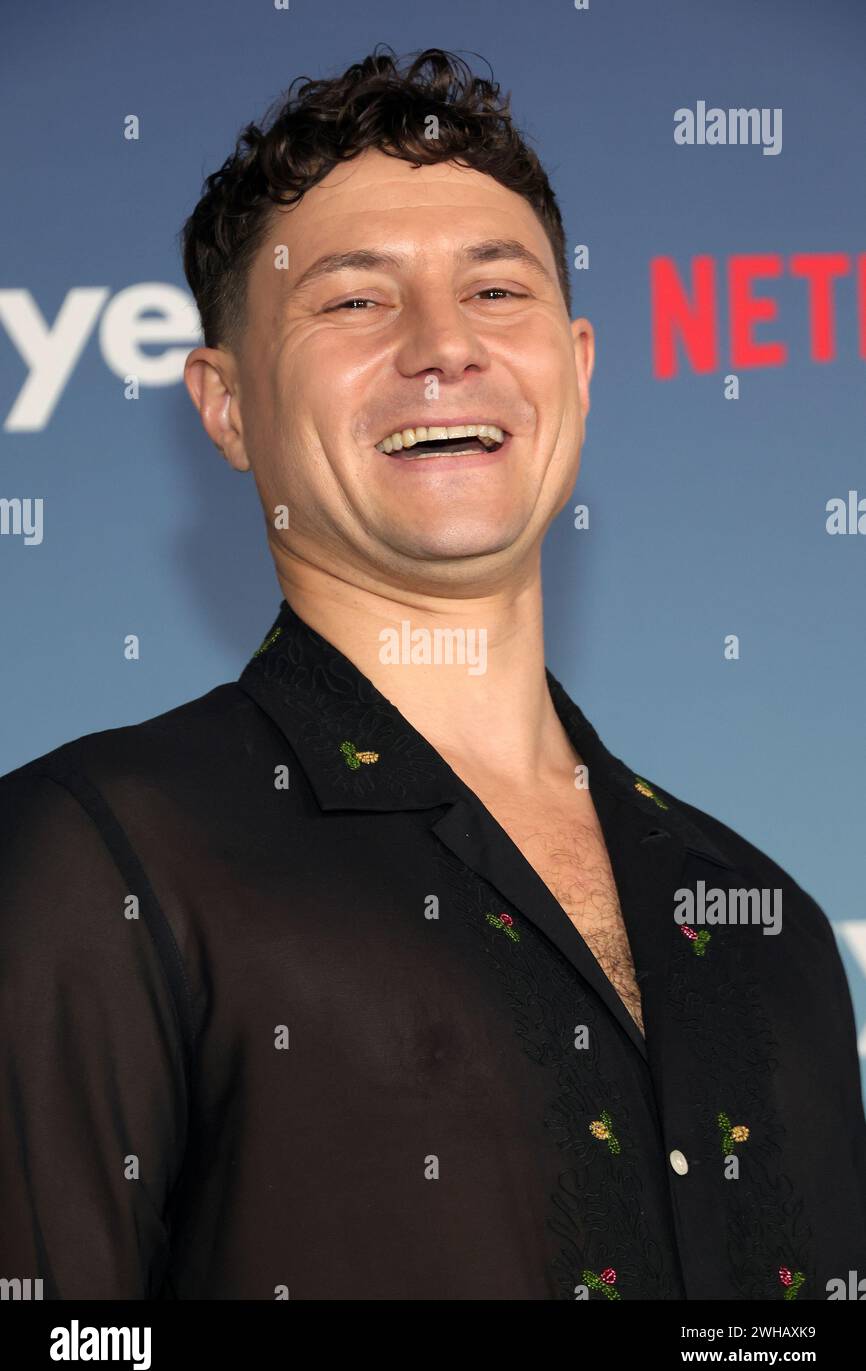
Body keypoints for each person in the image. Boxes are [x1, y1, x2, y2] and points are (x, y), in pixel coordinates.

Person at [1, 47, 863, 1301]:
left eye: (496, 291)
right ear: (225, 404)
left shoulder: (764, 917)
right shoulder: (94, 856)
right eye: (352, 301)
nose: (442, 347)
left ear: (576, 362)